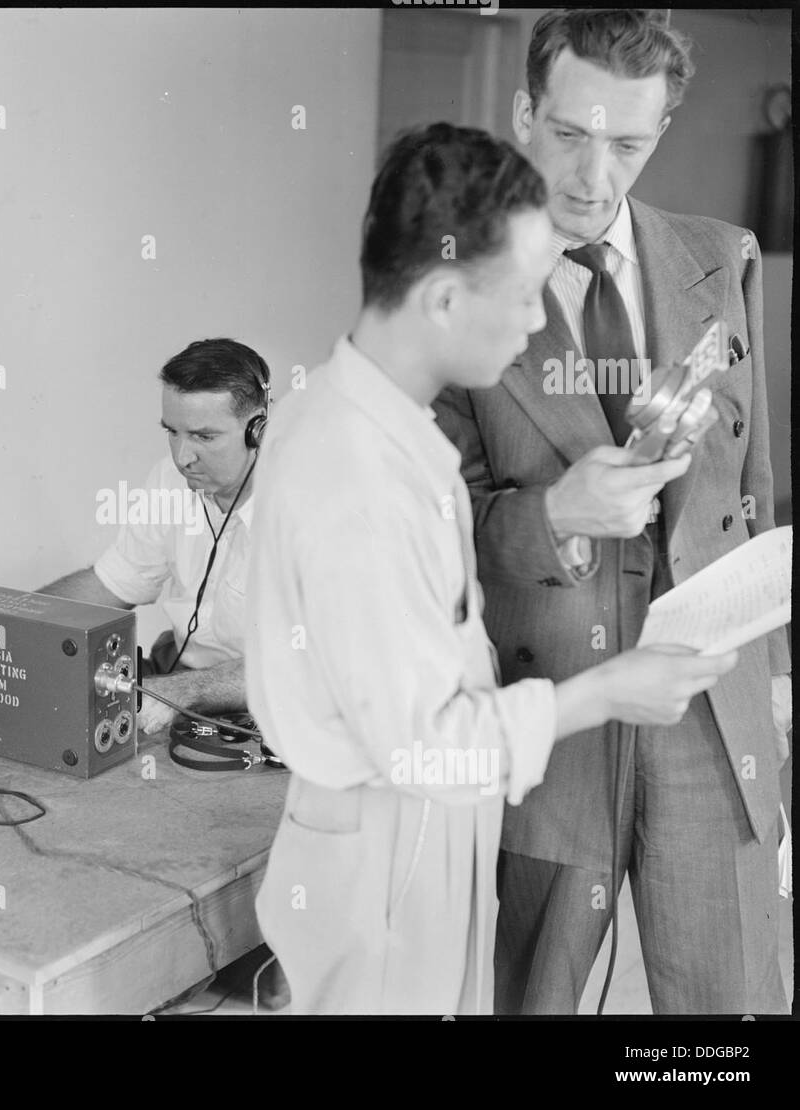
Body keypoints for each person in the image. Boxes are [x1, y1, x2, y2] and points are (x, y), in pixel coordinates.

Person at [246, 121, 739, 1015]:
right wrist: (607, 692)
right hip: (385, 868)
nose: (535, 320)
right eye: (522, 294)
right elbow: (419, 744)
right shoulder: (355, 473)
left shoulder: (396, 430)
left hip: (420, 844)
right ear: (441, 297)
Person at [432, 9, 790, 1014]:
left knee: (730, 1015)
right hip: (555, 711)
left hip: (708, 710)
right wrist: (556, 513)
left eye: (626, 144)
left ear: (661, 132)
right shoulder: (451, 294)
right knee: (533, 999)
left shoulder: (725, 259)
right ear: (520, 114)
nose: (593, 177)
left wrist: (775, 691)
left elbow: (751, 498)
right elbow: (431, 533)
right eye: (568, 136)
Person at [40, 337, 269, 735]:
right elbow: (111, 584)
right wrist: (15, 620)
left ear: (257, 429)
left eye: (204, 436)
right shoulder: (170, 477)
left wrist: (179, 694)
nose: (183, 458)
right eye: (173, 432)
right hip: (178, 673)